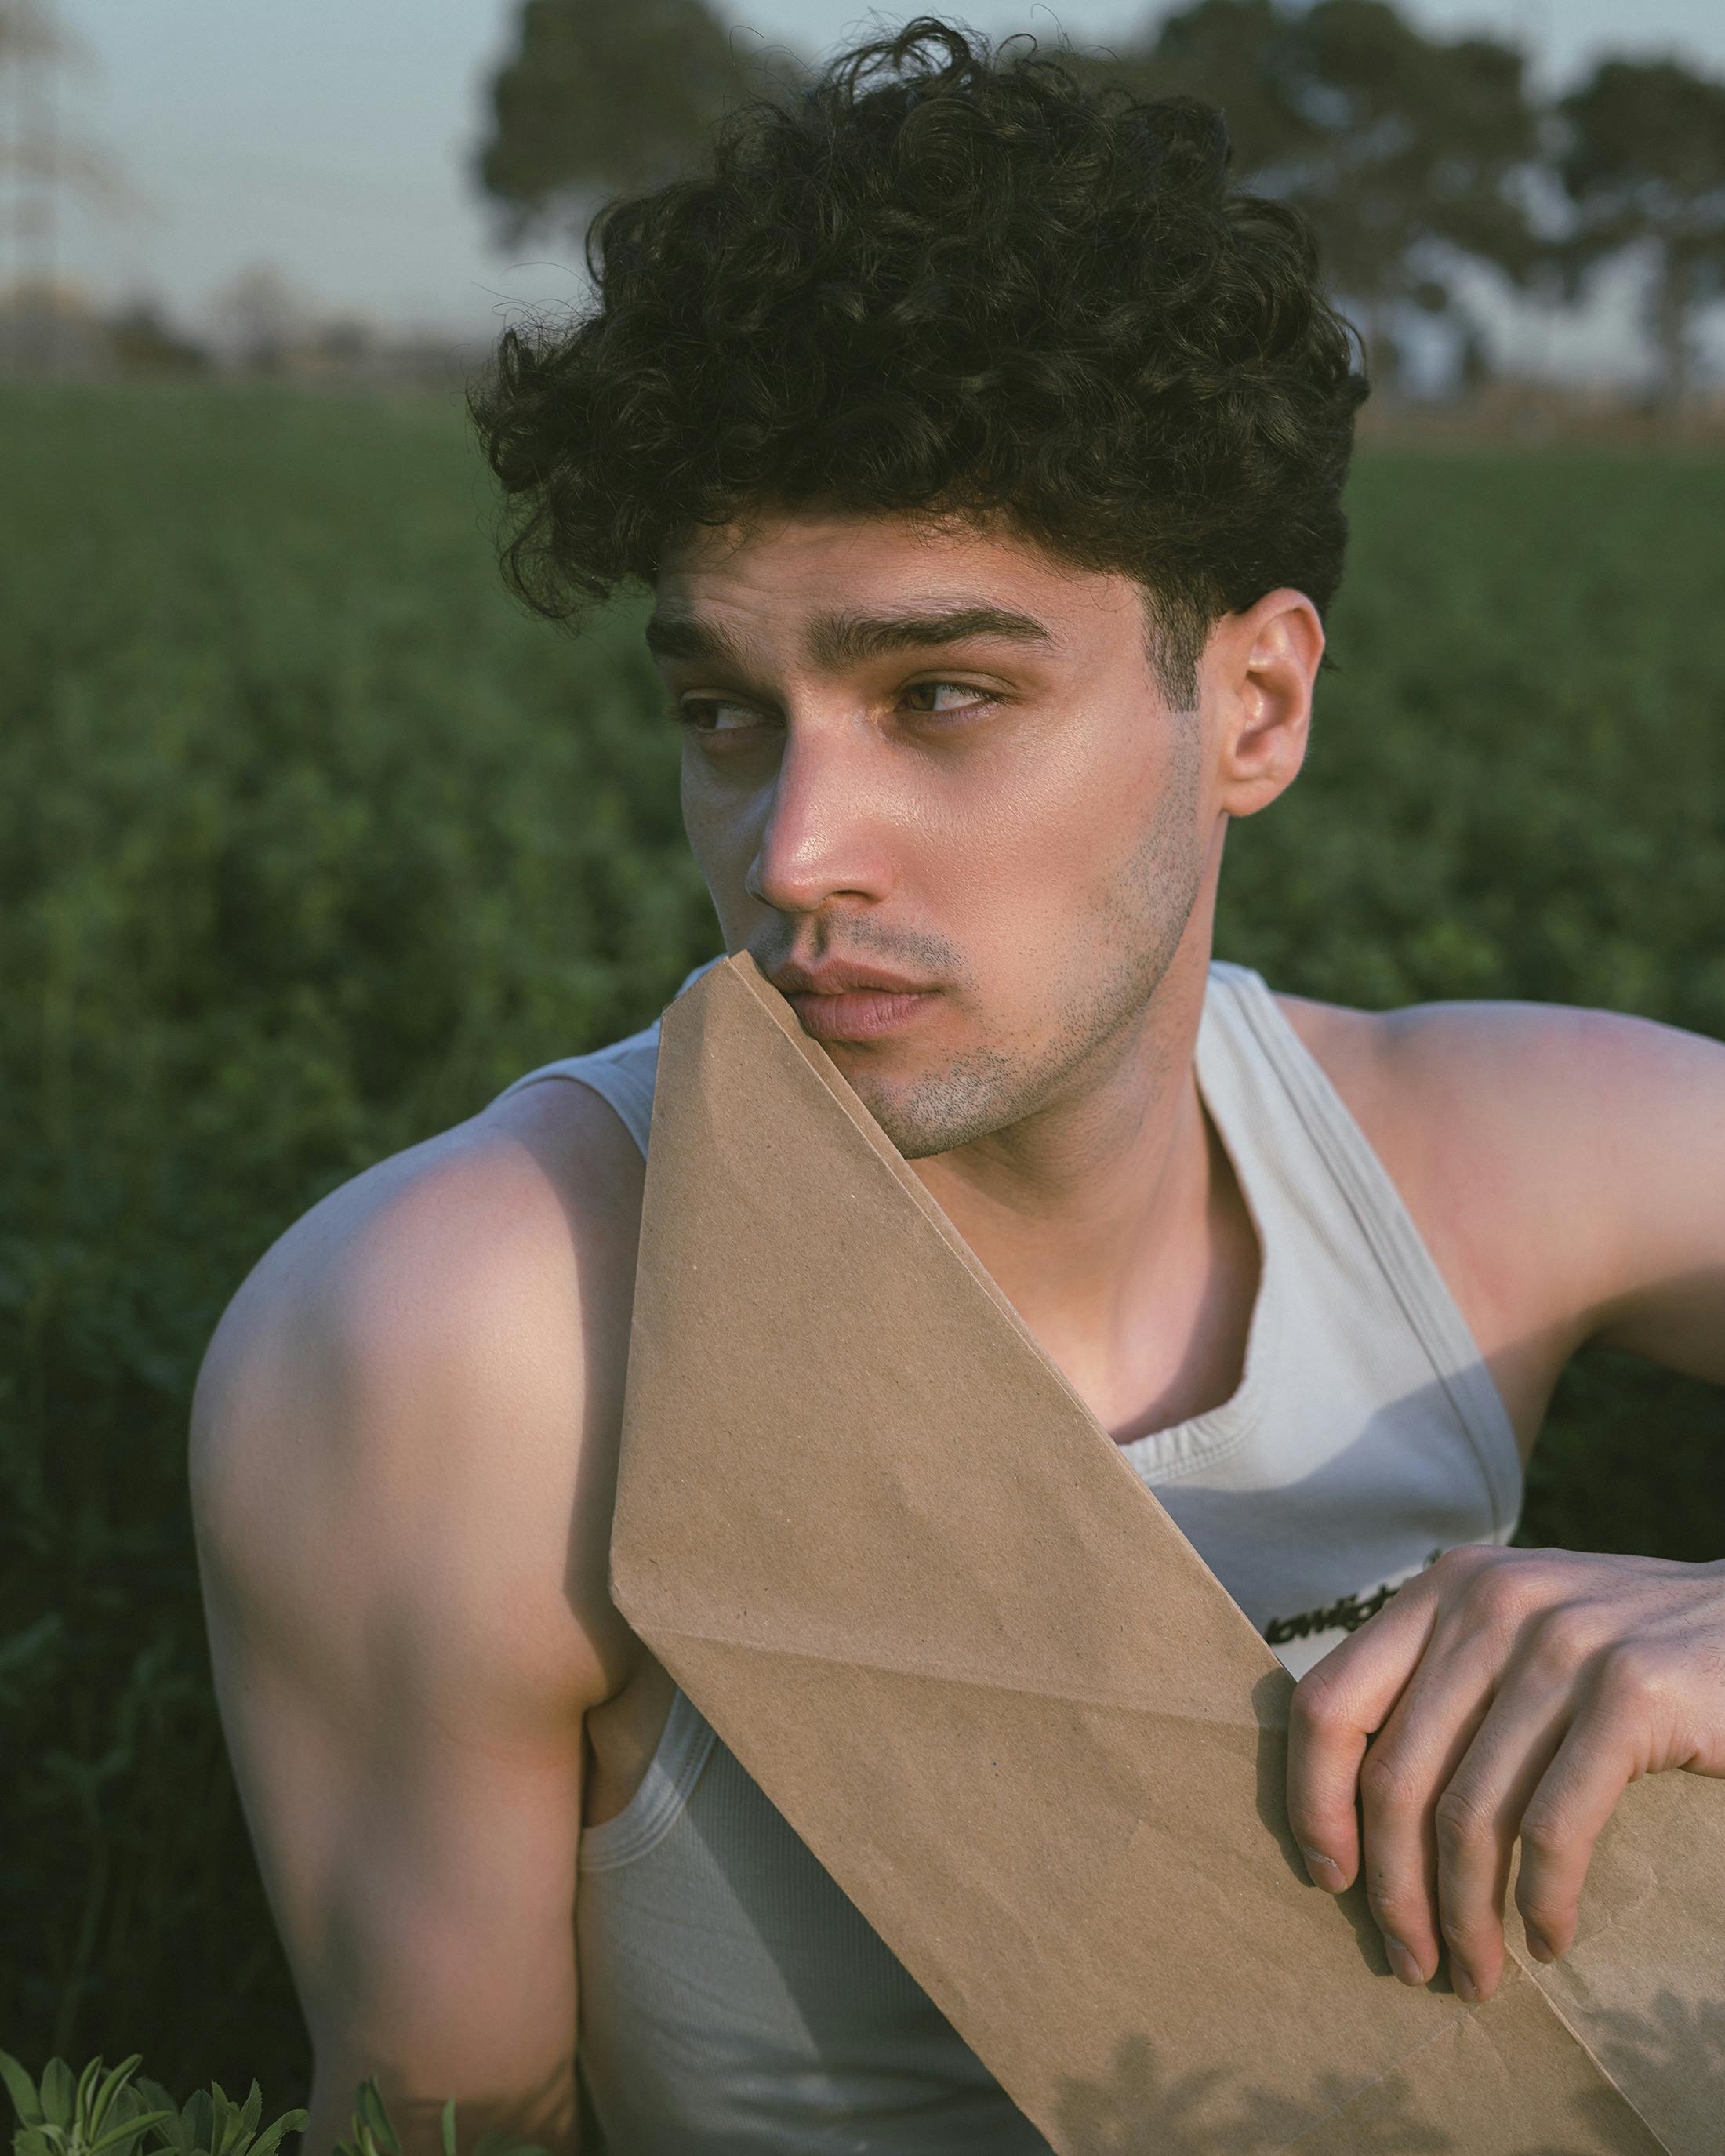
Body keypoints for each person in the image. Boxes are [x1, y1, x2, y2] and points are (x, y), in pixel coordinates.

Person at [189, 20, 1725, 2156]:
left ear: (1256, 706)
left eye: (942, 695)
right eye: (726, 714)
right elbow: (445, 2136)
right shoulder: (473, 1343)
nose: (796, 852)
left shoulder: (1500, 1167)